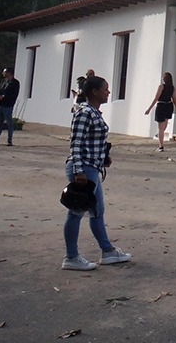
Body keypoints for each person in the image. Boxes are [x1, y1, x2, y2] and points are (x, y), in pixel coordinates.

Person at [62, 75, 132, 271]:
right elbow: (75, 143)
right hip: (83, 169)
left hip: (91, 167)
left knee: (96, 211)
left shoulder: (94, 112)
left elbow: (91, 141)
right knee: (77, 211)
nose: (108, 92)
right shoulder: (85, 112)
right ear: (94, 91)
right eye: (105, 89)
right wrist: (78, 171)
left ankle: (107, 251)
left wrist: (103, 158)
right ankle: (72, 256)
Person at [144, 72, 176, 152]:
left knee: (160, 127)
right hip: (169, 106)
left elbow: (156, 98)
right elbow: (175, 100)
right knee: (164, 125)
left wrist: (149, 108)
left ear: (164, 79)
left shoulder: (161, 87)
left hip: (161, 106)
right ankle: (160, 136)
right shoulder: (172, 88)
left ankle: (161, 146)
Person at [0, 68, 20, 146]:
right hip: (0, 104)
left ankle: (9, 140)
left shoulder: (15, 83)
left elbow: (14, 94)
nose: (3, 73)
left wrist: (4, 97)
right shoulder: (3, 81)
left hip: (8, 105)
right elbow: (0, 90)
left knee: (9, 123)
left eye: (5, 72)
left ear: (9, 73)